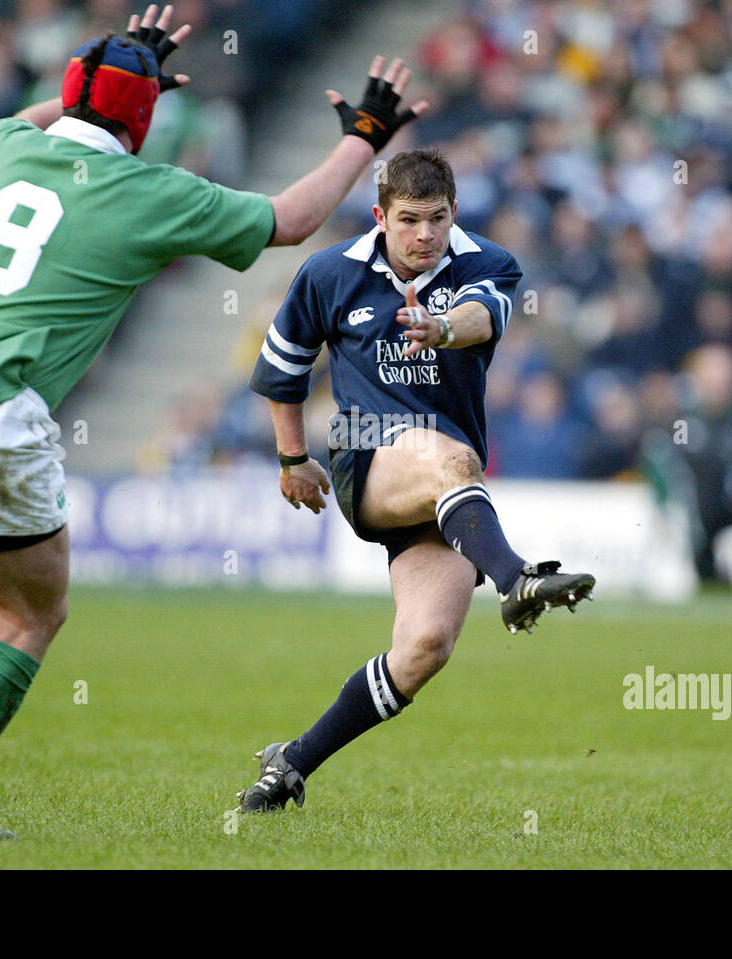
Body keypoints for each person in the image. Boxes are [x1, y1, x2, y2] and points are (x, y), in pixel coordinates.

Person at [0, 3, 428, 839]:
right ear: (145, 122)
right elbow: (291, 220)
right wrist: (365, 132)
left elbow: (41, 116)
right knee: (31, 614)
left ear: (67, 93)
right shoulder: (146, 190)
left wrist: (118, 72)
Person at [238, 149, 595, 812]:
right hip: (365, 457)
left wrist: (440, 327)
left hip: (444, 490)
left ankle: (291, 762)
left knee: (425, 647)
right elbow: (281, 367)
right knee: (452, 459)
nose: (424, 234)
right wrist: (292, 460)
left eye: (436, 218)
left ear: (453, 213)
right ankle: (517, 580)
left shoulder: (487, 262)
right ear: (380, 217)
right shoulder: (328, 273)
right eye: (409, 220)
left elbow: (482, 316)